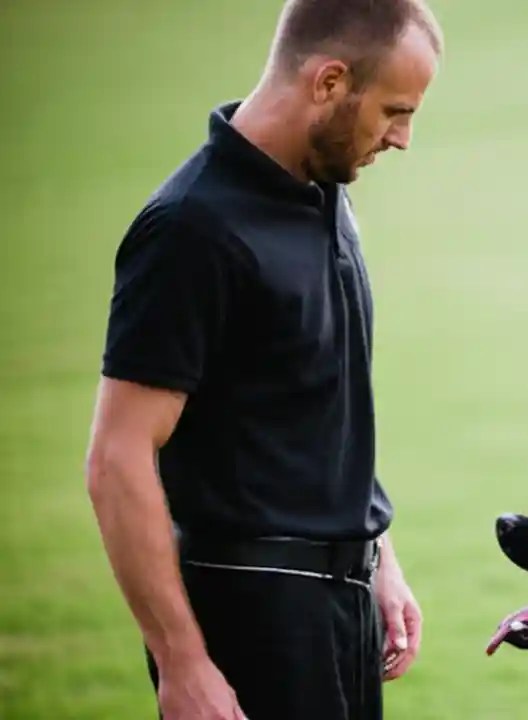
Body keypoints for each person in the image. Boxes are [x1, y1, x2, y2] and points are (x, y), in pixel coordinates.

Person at [83, 1, 443, 718]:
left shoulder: (326, 193)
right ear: (330, 82)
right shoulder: (193, 229)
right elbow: (117, 459)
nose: (402, 138)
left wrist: (377, 554)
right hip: (251, 621)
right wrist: (183, 665)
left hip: (339, 612)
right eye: (394, 111)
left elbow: (320, 402)